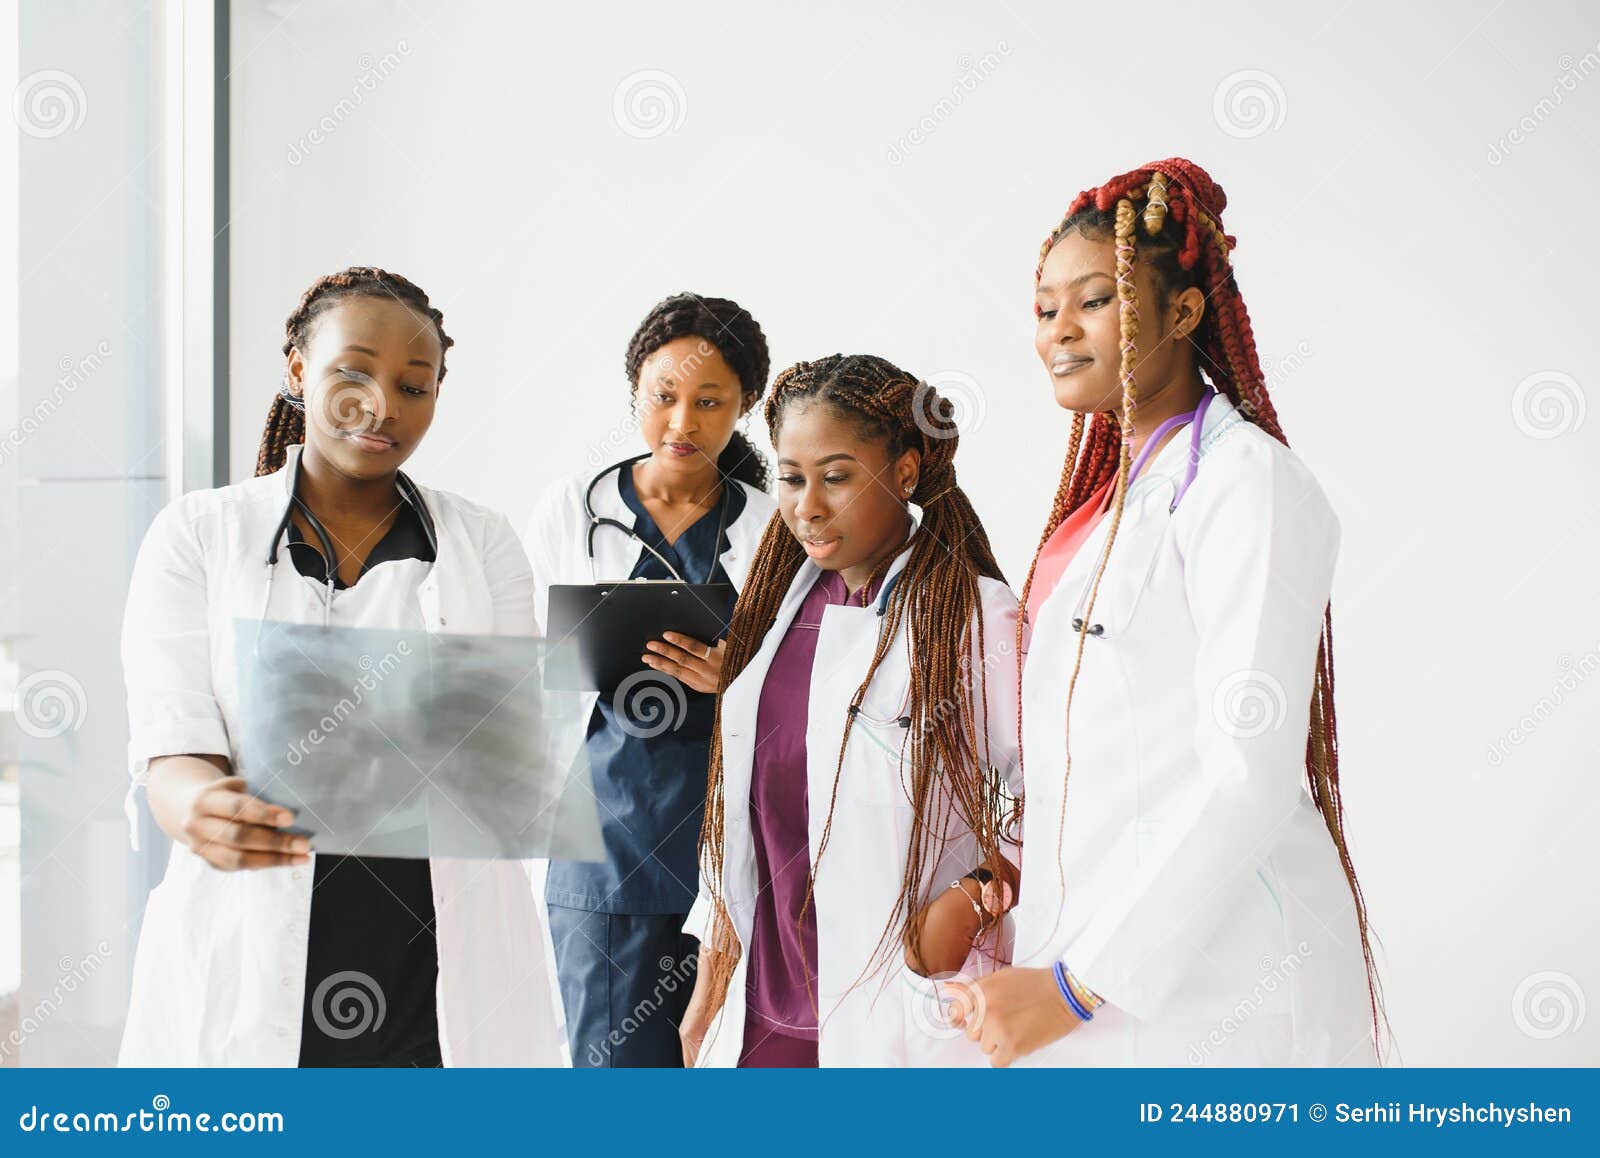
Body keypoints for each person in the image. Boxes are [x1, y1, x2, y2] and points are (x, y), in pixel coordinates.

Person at [950, 159, 1384, 1067]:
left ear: (1183, 312)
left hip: (1232, 989)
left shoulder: (1245, 485)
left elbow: (1247, 776)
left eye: (1094, 301)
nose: (1059, 331)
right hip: (1100, 979)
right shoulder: (1102, 509)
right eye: (1043, 308)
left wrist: (1076, 984)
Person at [119, 267, 564, 1066]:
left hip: (435, 970)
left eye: (415, 385)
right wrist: (195, 805)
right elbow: (171, 742)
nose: (383, 406)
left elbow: (500, 753)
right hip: (252, 953)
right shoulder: (197, 536)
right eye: (353, 372)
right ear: (297, 369)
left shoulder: (482, 544)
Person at [679, 353, 1022, 1068]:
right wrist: (703, 1003)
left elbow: (1057, 794)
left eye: (835, 477)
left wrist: (970, 900)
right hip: (759, 1019)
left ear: (903, 471)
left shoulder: (971, 616)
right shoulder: (775, 608)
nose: (807, 505)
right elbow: (742, 819)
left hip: (895, 1013)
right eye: (792, 478)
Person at [523, 293, 776, 1067]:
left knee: (718, 1068)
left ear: (746, 407)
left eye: (710, 404)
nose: (682, 424)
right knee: (618, 1076)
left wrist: (738, 673)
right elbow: (525, 665)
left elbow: (804, 677)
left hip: (727, 839)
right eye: (663, 398)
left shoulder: (771, 526)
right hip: (604, 839)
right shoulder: (575, 509)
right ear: (635, 390)